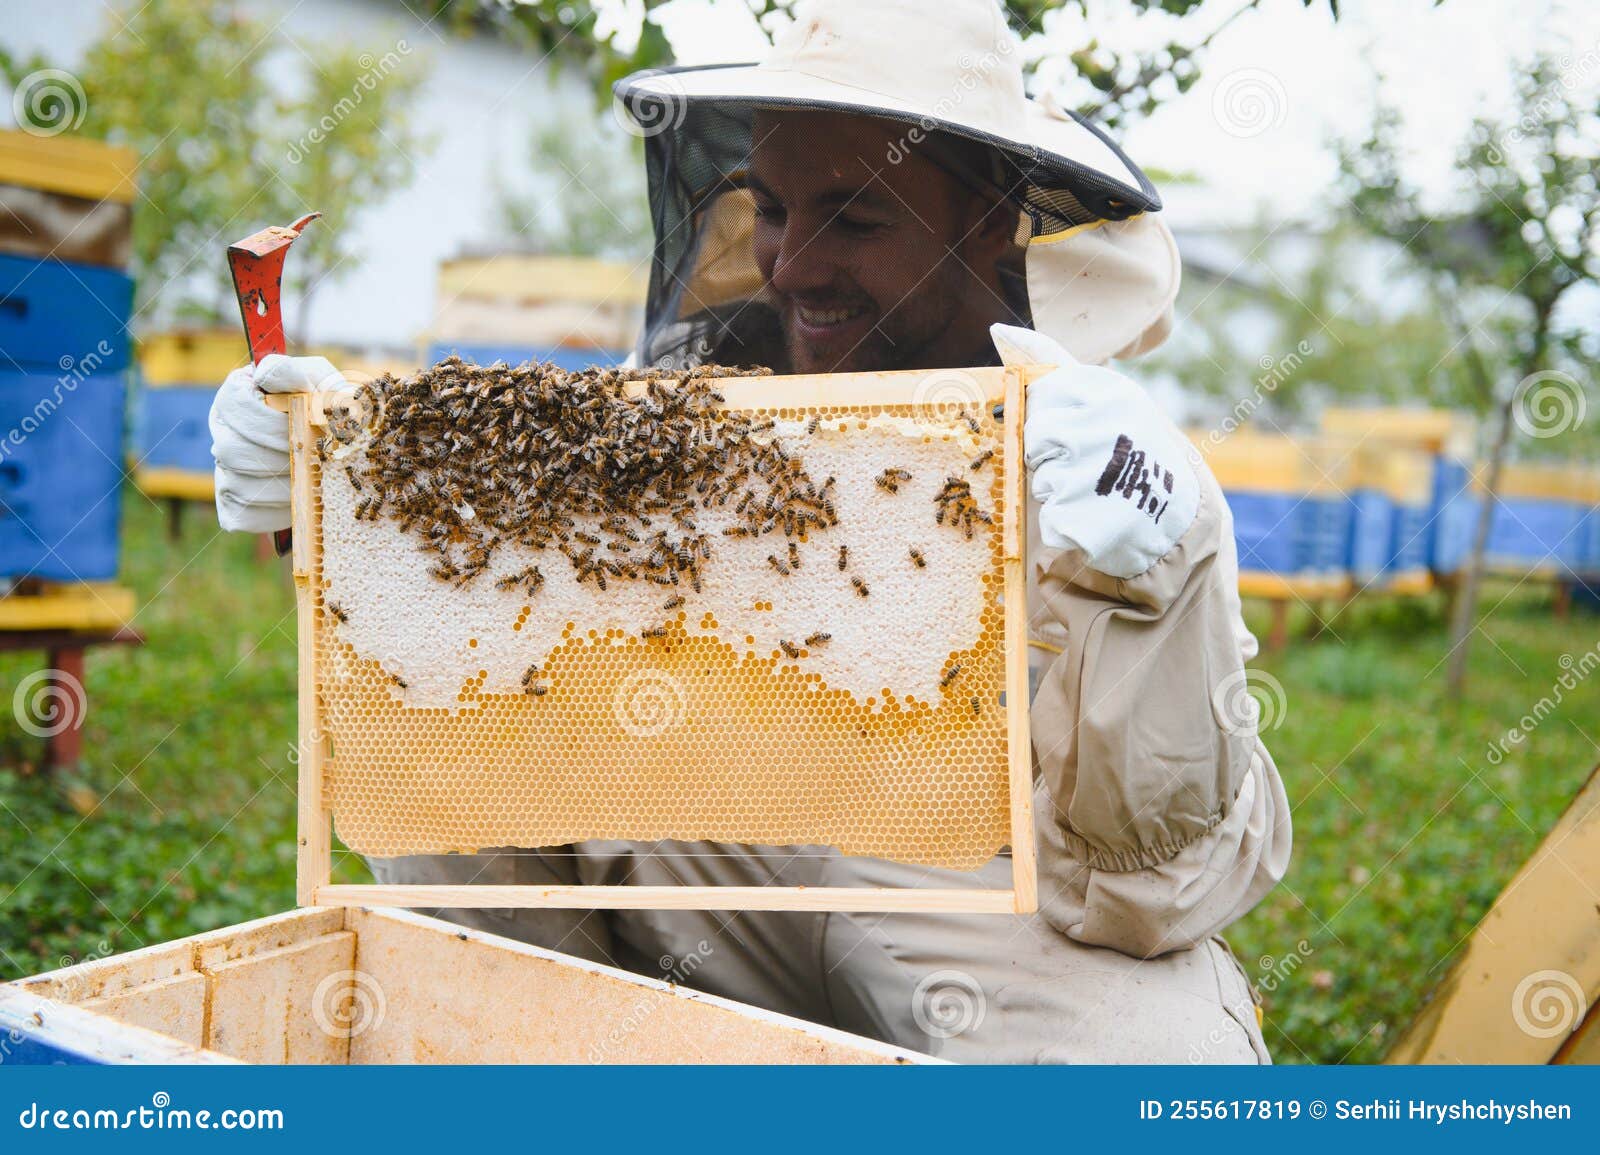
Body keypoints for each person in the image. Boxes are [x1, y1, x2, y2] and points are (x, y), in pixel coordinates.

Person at [210, 0, 1290, 1063]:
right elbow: (521, 627)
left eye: (855, 217)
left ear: (977, 225)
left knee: (1161, 1070)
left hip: (977, 896)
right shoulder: (720, 386)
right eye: (772, 207)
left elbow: (1153, 881)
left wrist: (1160, 580)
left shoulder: (1105, 467)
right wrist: (353, 491)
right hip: (716, 855)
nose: (790, 265)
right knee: (454, 797)